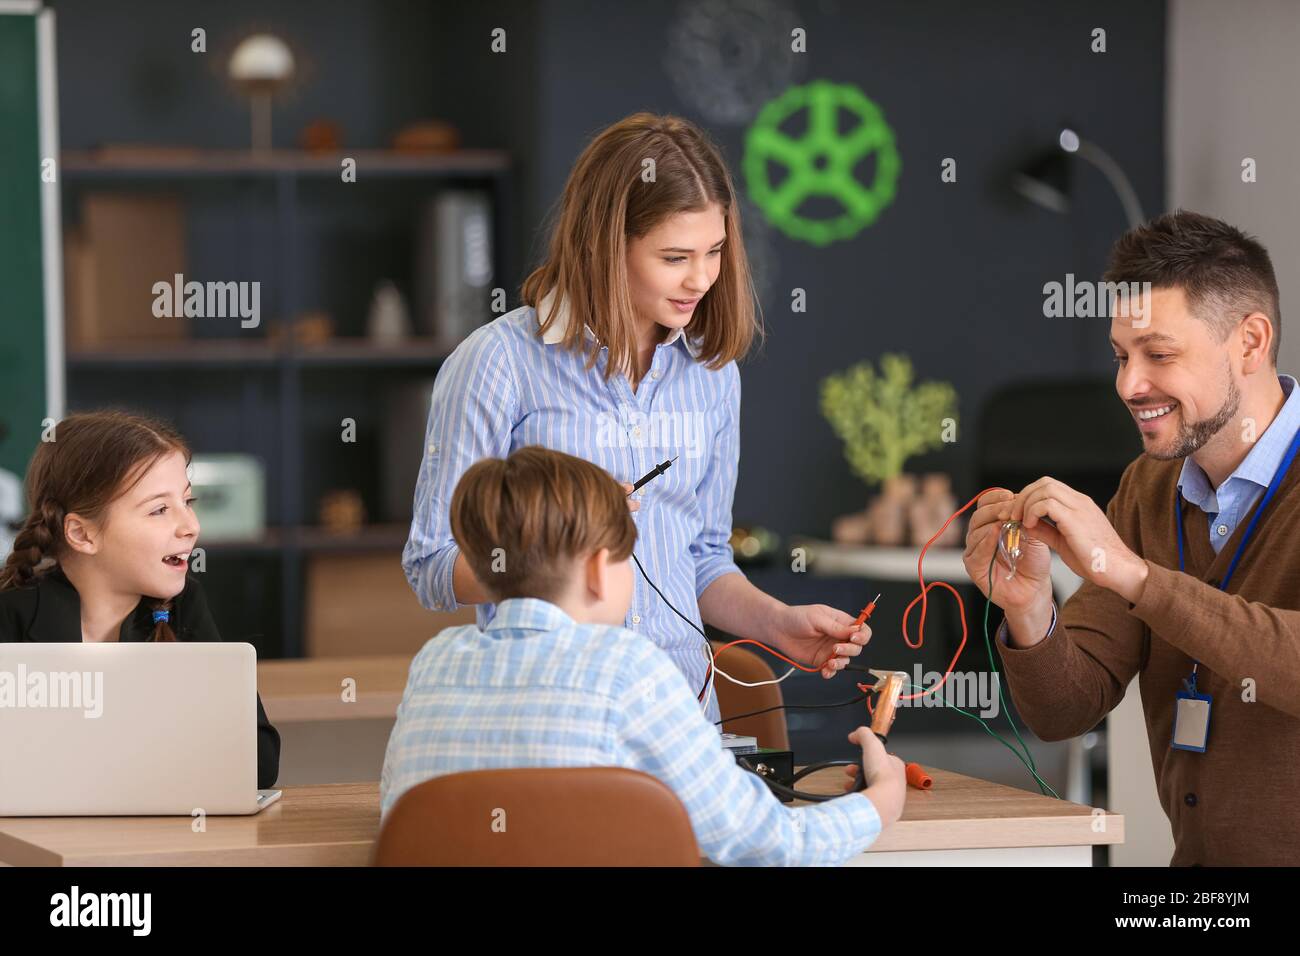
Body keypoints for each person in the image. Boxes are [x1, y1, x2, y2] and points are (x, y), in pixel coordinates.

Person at [403, 112, 868, 723]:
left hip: (683, 718)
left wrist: (777, 623)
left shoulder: (712, 373)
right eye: (674, 257)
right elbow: (432, 565)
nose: (701, 279)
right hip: (553, 716)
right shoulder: (498, 364)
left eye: (715, 252)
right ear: (604, 245)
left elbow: (702, 557)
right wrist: (555, 548)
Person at [963, 210, 1300, 865]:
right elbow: (1065, 711)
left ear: (1250, 343)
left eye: (1159, 355)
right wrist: (1030, 610)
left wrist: (1136, 577)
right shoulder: (1149, 487)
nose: (1128, 385)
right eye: (1121, 357)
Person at [383, 445, 905, 865]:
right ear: (596, 568)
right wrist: (878, 803)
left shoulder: (434, 663)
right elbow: (767, 843)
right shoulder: (627, 668)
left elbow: (401, 815)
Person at [0, 409, 281, 789]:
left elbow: (258, 764)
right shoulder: (12, 614)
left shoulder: (183, 606)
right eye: (159, 510)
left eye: (188, 501)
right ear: (82, 534)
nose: (191, 526)